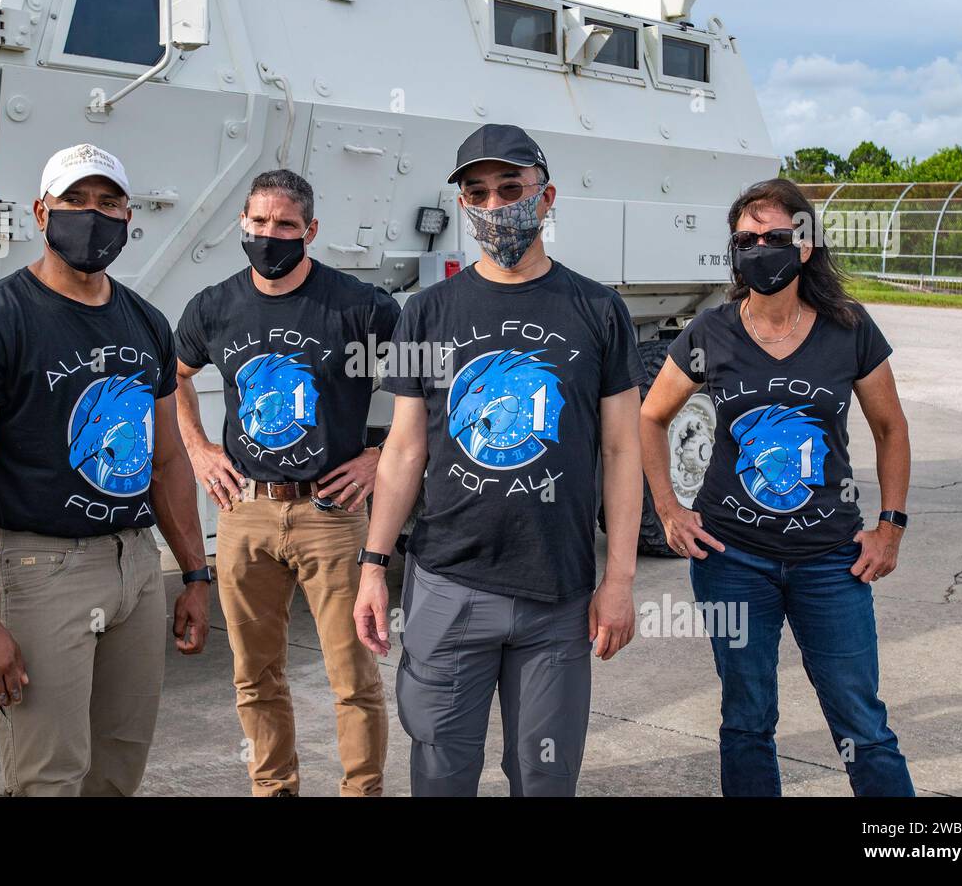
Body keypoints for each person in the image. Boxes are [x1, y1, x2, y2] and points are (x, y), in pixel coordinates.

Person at [354, 124, 647, 796]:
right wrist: (373, 566)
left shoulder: (598, 309)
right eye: (478, 192)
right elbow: (403, 450)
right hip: (450, 587)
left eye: (510, 189)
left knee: (545, 777)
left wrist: (621, 579)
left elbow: (622, 447)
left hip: (558, 596)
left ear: (547, 197)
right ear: (462, 205)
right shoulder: (424, 313)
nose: (495, 206)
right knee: (440, 773)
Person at [0, 143, 211, 796]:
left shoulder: (145, 322)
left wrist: (194, 573)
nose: (92, 215)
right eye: (74, 201)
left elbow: (167, 460)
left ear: (128, 216)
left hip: (135, 566)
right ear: (40, 211)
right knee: (47, 777)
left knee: (117, 768)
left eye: (107, 202)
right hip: (41, 569)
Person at [640, 177, 914, 797]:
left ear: (807, 245)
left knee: (862, 722)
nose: (760, 248)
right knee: (746, 719)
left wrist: (890, 527)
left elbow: (891, 428)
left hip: (831, 562)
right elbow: (650, 417)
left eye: (775, 237)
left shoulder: (850, 329)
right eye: (746, 239)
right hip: (731, 559)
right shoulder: (710, 334)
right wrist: (668, 510)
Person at [173, 169, 398, 797]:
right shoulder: (213, 307)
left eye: (285, 225)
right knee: (255, 675)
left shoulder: (359, 306)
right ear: (242, 225)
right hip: (245, 512)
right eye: (259, 223)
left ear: (311, 231)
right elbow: (174, 376)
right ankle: (273, 789)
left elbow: (433, 382)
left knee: (351, 677)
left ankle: (362, 791)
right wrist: (198, 449)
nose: (270, 236)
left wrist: (379, 457)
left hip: (331, 513)